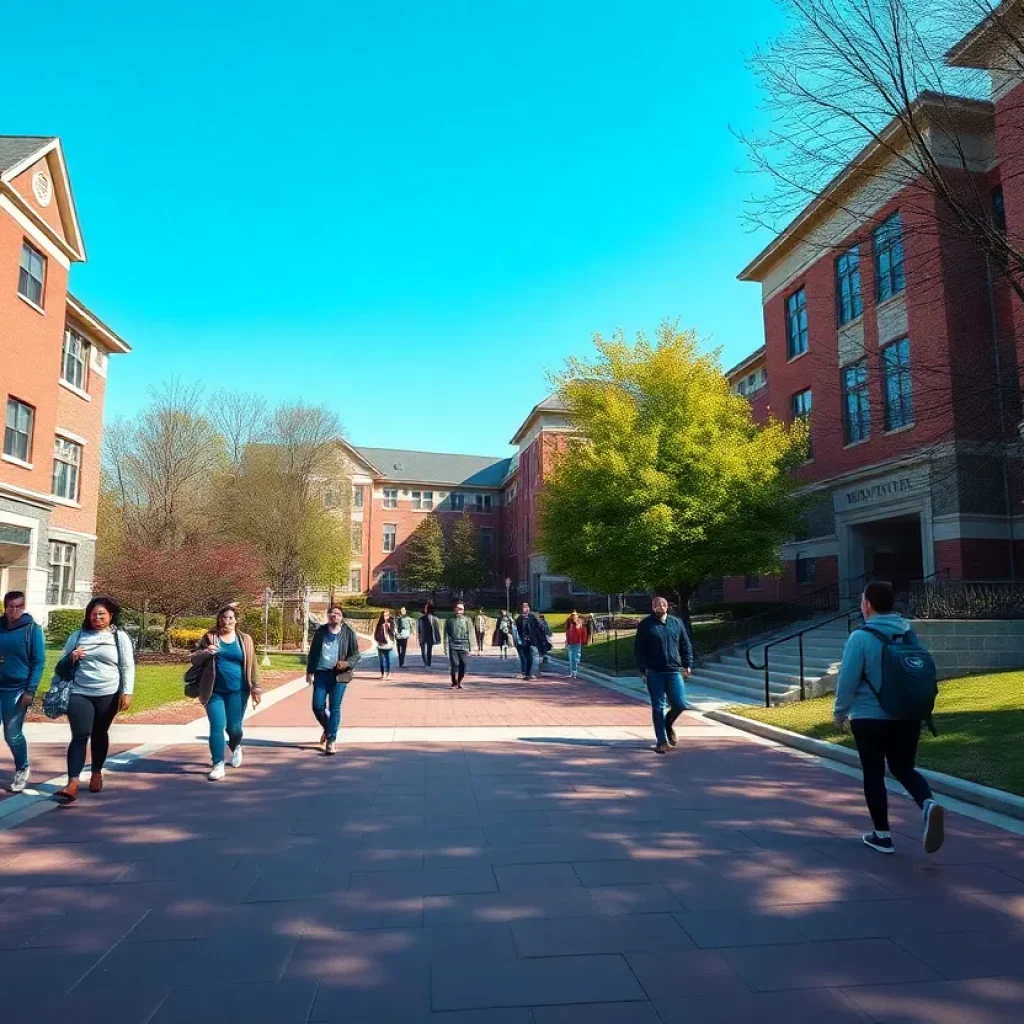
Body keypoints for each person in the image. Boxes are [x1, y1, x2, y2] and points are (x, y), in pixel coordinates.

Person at [834, 580, 945, 856]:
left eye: (862, 600)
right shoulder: (907, 631)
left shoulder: (859, 637)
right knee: (903, 767)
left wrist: (839, 712)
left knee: (873, 772)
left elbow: (847, 679)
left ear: (868, 604)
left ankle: (882, 836)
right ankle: (928, 803)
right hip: (907, 713)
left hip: (869, 716)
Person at [53, 596, 136, 803]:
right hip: (80, 692)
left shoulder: (119, 637)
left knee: (100, 732)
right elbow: (61, 664)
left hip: (108, 693)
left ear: (110, 616)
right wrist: (72, 657)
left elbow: (127, 666)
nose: (97, 618)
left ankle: (97, 772)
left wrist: (127, 691)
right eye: (93, 614)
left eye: (102, 614)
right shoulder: (78, 635)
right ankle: (72, 783)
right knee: (80, 735)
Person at [190, 604, 262, 782]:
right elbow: (194, 658)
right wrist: (206, 652)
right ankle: (218, 764)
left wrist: (256, 687)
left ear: (236, 620)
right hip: (213, 691)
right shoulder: (210, 637)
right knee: (217, 726)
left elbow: (253, 664)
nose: (227, 621)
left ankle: (235, 746)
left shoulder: (245, 640)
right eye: (223, 617)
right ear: (219, 619)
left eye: (230, 617)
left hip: (238, 691)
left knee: (234, 728)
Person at [634, 594, 692, 754]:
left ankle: (668, 723)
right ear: (652, 607)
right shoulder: (646, 625)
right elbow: (639, 650)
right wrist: (643, 669)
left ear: (667, 606)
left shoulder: (676, 623)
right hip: (654, 672)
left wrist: (687, 664)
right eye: (657, 604)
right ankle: (661, 741)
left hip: (674, 671)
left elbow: (685, 644)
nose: (660, 606)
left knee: (680, 704)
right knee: (658, 707)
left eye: (663, 604)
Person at [0, 591, 45, 793]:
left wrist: (30, 690)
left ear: (23, 607)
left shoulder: (31, 629)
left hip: (17, 689)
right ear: (5, 607)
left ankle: (22, 767)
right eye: (10, 606)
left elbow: (39, 661)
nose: (14, 610)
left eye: (18, 606)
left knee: (12, 733)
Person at [306, 605, 361, 755]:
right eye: (331, 613)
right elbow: (313, 653)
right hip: (322, 674)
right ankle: (328, 728)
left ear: (342, 617)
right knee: (317, 706)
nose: (334, 616)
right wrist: (309, 671)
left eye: (337, 614)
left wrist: (347, 664)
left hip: (339, 676)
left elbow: (356, 655)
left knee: (334, 707)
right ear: (327, 616)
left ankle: (331, 739)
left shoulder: (348, 633)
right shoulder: (321, 632)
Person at [444, 601, 474, 688]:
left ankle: (460, 681)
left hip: (464, 645)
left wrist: (471, 648)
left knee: (463, 665)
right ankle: (454, 682)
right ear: (455, 609)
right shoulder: (449, 620)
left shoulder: (467, 620)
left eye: (461, 609)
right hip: (453, 644)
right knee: (454, 664)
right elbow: (446, 634)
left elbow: (471, 634)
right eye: (457, 608)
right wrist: (445, 646)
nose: (459, 611)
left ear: (463, 610)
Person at [515, 601, 545, 680]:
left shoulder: (532, 617)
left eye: (527, 607)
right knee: (525, 656)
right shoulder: (519, 618)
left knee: (530, 656)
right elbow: (518, 630)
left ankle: (528, 673)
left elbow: (537, 627)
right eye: (524, 607)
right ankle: (526, 673)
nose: (526, 608)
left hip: (531, 640)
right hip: (522, 641)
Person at [565, 609, 589, 679]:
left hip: (578, 642)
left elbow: (583, 632)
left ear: (577, 617)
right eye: (573, 616)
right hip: (571, 642)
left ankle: (574, 670)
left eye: (575, 616)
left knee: (577, 657)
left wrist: (584, 640)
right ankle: (573, 672)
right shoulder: (569, 623)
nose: (574, 618)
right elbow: (567, 633)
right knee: (572, 657)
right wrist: (567, 641)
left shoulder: (580, 623)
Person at [418, 602, 442, 668]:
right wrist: (419, 637)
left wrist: (437, 638)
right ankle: (425, 662)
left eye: (427, 608)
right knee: (423, 652)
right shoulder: (421, 619)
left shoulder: (434, 619)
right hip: (423, 637)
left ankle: (428, 663)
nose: (426, 610)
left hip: (430, 637)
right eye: (425, 608)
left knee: (429, 651)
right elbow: (419, 629)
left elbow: (436, 629)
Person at [374, 610, 396, 679]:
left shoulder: (391, 623)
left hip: (389, 644)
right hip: (381, 644)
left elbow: (393, 634)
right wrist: (382, 628)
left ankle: (388, 674)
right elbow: (376, 634)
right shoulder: (380, 624)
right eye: (384, 615)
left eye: (387, 615)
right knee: (381, 660)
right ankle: (383, 674)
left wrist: (389, 627)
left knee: (388, 660)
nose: (386, 617)